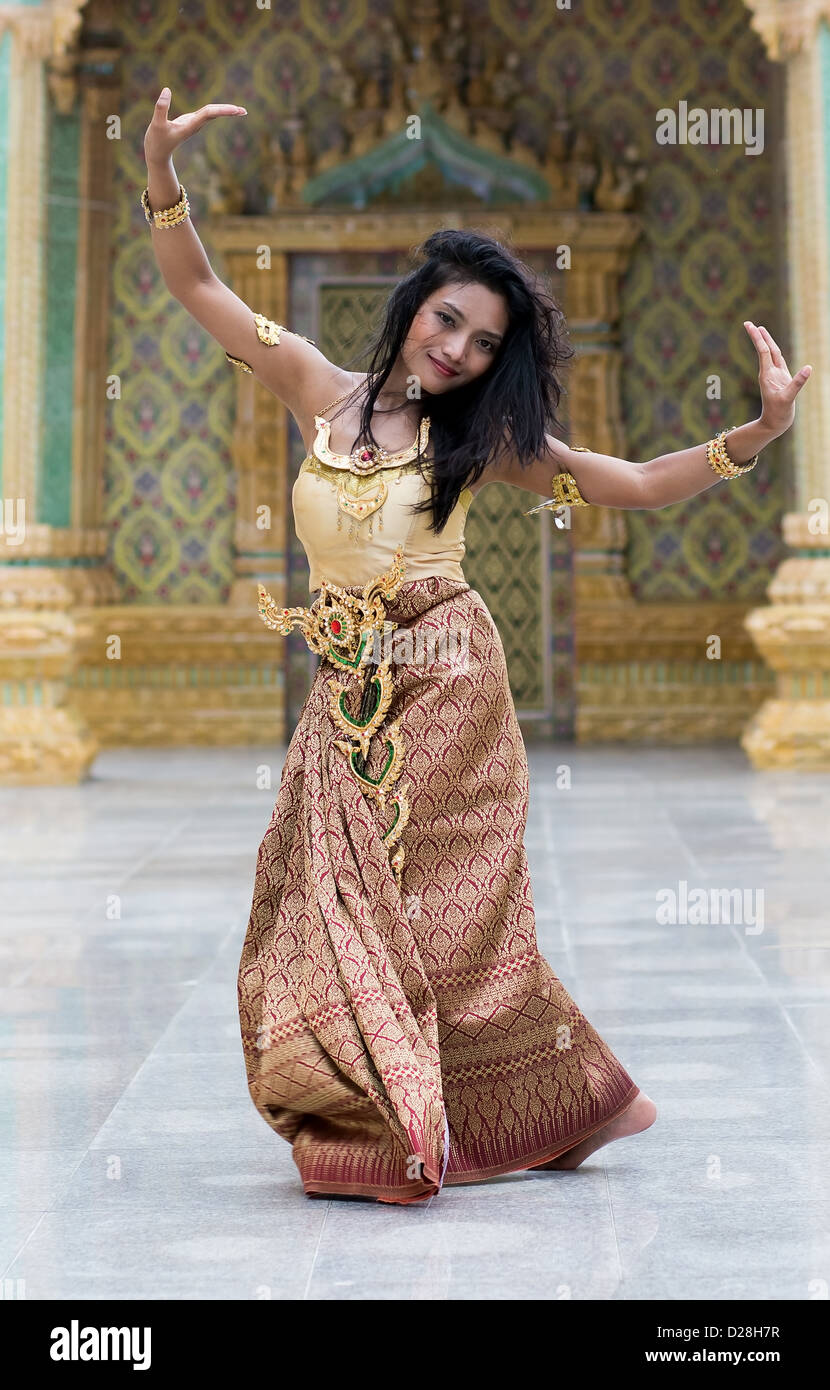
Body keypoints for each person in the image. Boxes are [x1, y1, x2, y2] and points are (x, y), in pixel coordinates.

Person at [143, 88, 811, 1204]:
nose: (457, 348)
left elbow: (632, 483)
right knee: (318, 899)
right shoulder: (318, 388)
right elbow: (199, 286)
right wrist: (162, 175)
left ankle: (466, 1112)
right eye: (447, 320)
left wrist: (755, 435)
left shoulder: (484, 439)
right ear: (413, 309)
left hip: (447, 678)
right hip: (346, 687)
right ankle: (545, 1102)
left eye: (483, 340)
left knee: (443, 913)